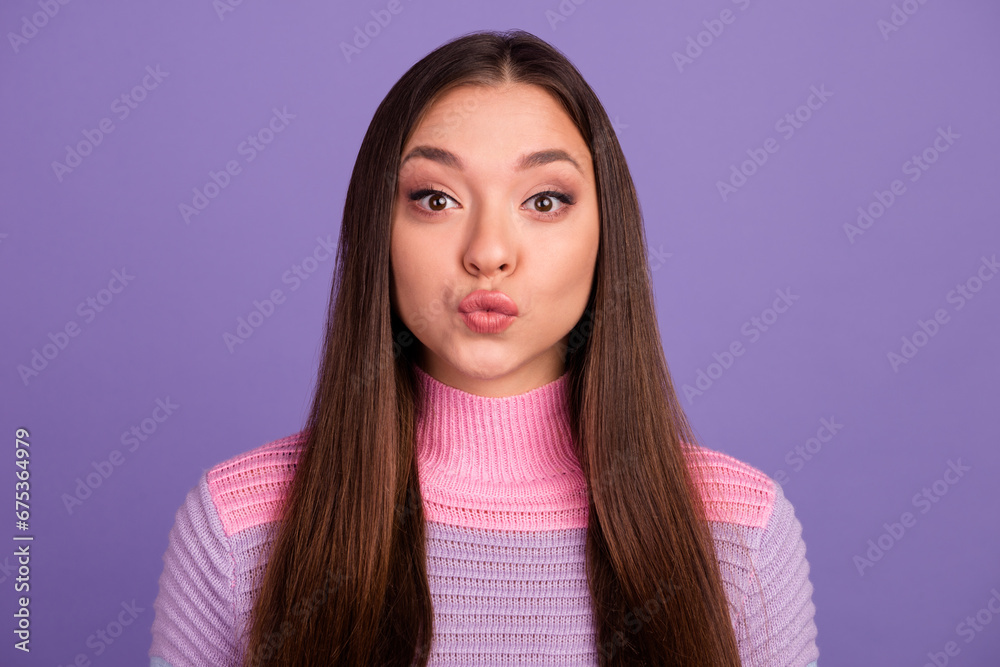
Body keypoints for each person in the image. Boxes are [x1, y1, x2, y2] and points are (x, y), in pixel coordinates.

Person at [148, 29, 820, 666]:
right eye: (436, 199)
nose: (489, 253)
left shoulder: (739, 532)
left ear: (606, 231)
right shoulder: (241, 527)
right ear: (377, 228)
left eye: (545, 200)